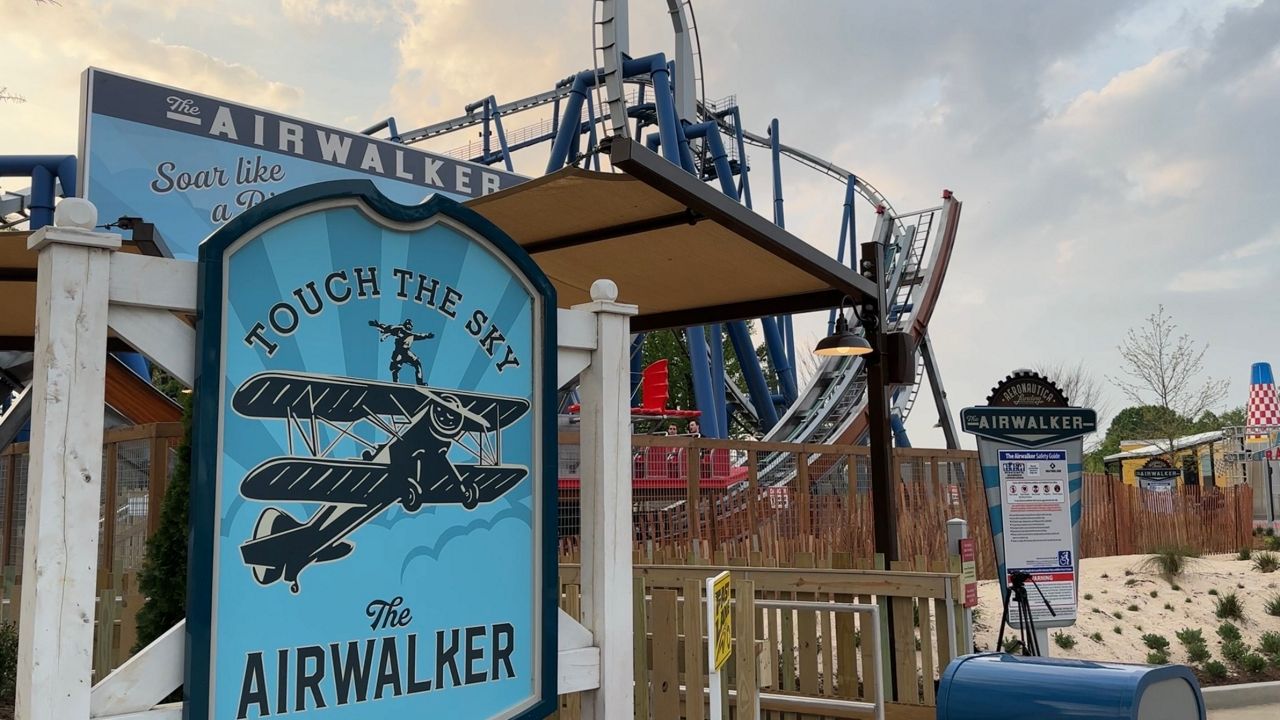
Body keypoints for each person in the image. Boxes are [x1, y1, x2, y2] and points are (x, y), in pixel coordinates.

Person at [369, 318, 435, 385]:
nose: (410, 327)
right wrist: (378, 325)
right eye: (409, 325)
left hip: (406, 352)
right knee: (396, 368)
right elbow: (389, 328)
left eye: (411, 326)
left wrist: (427, 335)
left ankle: (419, 383)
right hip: (399, 352)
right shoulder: (400, 329)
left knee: (417, 363)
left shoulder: (411, 335)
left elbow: (419, 335)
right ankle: (396, 383)